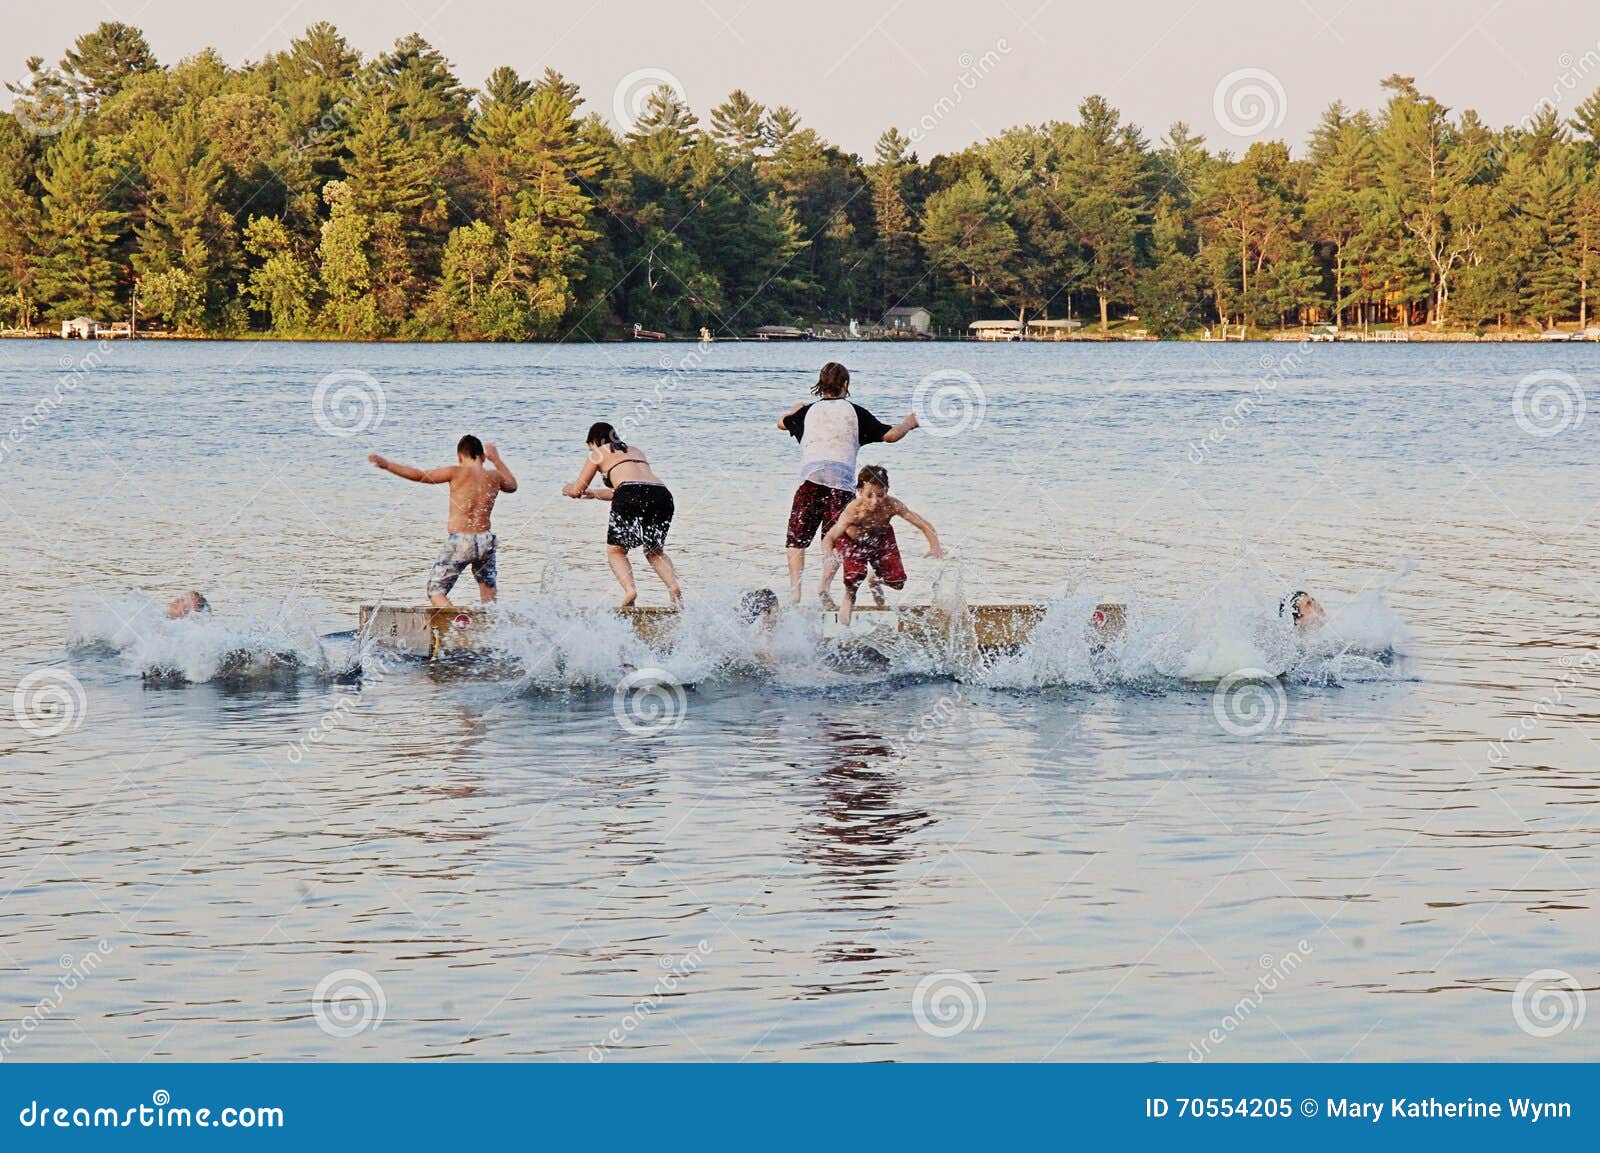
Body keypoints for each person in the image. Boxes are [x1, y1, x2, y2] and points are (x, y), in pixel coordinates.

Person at [778, 362, 918, 608]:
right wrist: (910, 422)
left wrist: (794, 409)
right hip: (840, 487)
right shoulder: (855, 413)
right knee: (836, 539)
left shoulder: (806, 413)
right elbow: (891, 436)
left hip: (810, 482)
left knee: (796, 540)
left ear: (820, 386)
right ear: (845, 385)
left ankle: (795, 595)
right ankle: (823, 586)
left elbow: (781, 423)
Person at [368, 435, 518, 607]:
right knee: (488, 590)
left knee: (435, 590)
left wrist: (388, 465)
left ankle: (454, 626)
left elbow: (421, 476)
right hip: (486, 540)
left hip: (461, 540)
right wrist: (497, 459)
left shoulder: (456, 471)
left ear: (460, 456)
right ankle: (489, 628)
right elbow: (512, 486)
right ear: (483, 457)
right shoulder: (494, 476)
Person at [562, 422, 683, 608]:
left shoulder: (598, 452)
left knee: (616, 551)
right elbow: (628, 488)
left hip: (630, 493)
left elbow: (578, 490)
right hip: (662, 495)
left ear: (594, 441)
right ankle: (673, 588)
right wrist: (594, 494)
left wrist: (567, 489)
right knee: (655, 550)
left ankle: (630, 591)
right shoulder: (635, 451)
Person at [820, 465, 943, 625]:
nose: (875, 501)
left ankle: (875, 580)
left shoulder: (891, 505)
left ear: (887, 491)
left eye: (880, 495)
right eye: (869, 495)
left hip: (880, 538)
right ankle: (845, 619)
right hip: (852, 541)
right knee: (854, 581)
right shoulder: (853, 511)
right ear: (859, 491)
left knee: (898, 582)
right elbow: (829, 537)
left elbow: (923, 525)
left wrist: (935, 546)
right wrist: (828, 556)